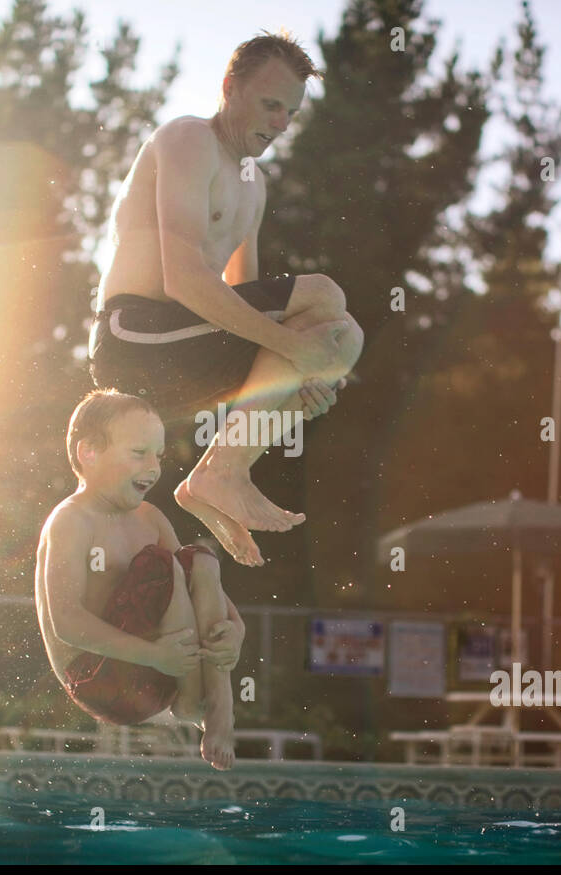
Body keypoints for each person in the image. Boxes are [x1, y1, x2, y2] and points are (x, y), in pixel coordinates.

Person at [88, 29, 364, 566]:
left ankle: (212, 477)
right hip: (134, 337)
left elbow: (244, 306)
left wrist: (299, 377)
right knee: (324, 299)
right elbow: (186, 281)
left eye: (290, 112)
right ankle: (224, 471)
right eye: (270, 104)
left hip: (183, 348)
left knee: (338, 336)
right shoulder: (189, 140)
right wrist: (293, 348)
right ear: (230, 88)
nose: (281, 123)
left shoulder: (253, 184)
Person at [35, 388, 245, 770]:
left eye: (158, 456)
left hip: (166, 670)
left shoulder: (151, 518)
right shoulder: (71, 521)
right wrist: (154, 656)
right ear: (89, 453)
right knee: (160, 565)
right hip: (101, 677)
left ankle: (213, 704)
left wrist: (237, 631)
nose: (154, 466)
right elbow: (65, 622)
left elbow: (201, 584)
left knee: (201, 560)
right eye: (138, 453)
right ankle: (194, 694)